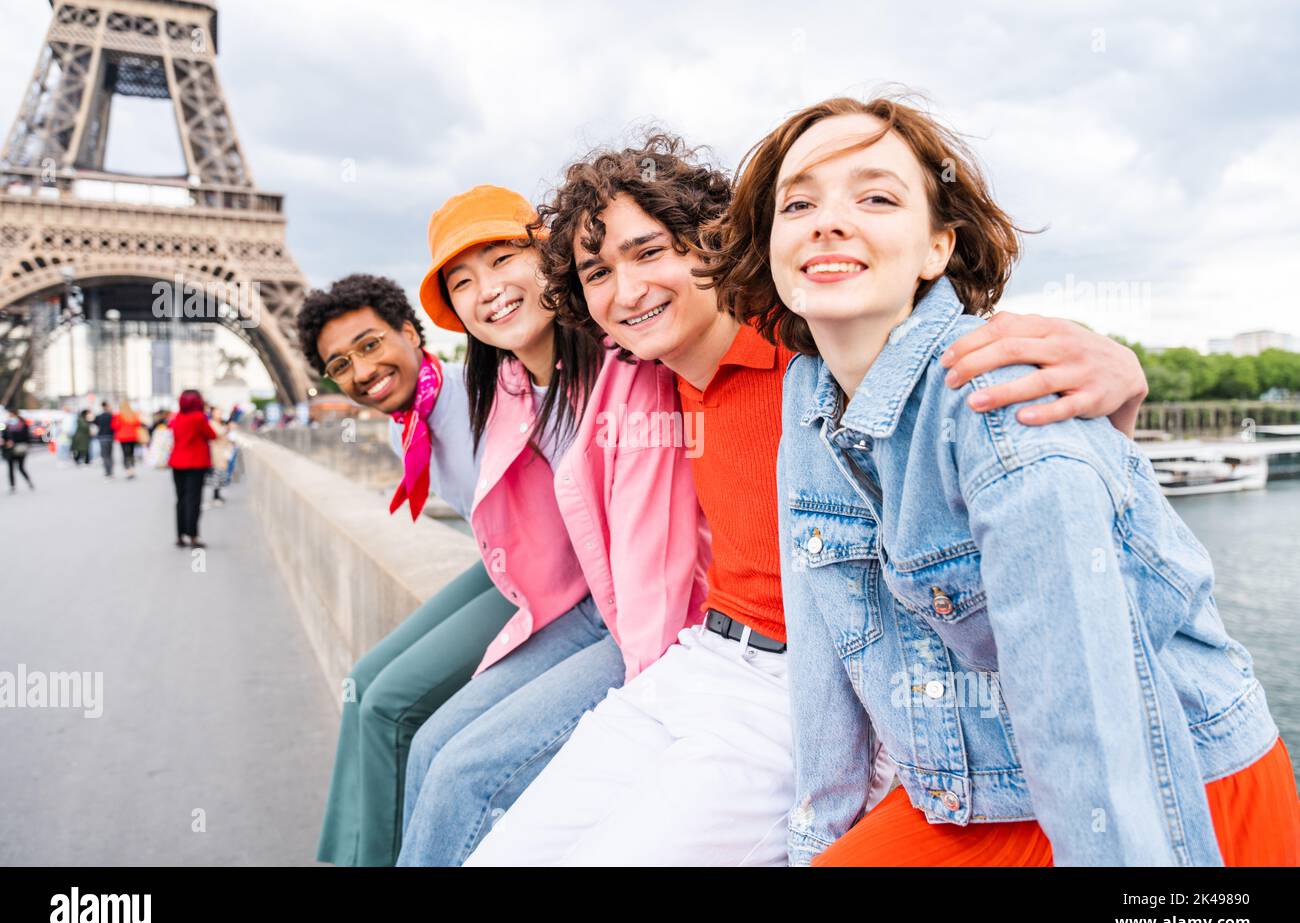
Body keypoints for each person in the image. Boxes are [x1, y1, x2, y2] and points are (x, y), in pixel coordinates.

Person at [463, 133, 1150, 866]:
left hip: (805, 695)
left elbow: (931, 347)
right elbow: (535, 358)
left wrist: (1118, 370)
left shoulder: (807, 346)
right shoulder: (645, 372)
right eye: (598, 272)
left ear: (710, 245)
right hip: (697, 663)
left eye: (650, 251)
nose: (627, 291)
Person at [710, 94, 1299, 865]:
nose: (828, 221)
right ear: (772, 246)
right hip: (969, 790)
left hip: (1171, 791)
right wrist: (816, 844)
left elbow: (1088, 716)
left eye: (877, 197)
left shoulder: (997, 401)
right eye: (799, 203)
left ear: (936, 248)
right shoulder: (808, 407)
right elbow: (824, 677)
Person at [299, 187, 707, 868]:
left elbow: (636, 561)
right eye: (463, 282)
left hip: (629, 614)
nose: (361, 372)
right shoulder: (509, 383)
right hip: (569, 592)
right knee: (406, 721)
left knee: (448, 759)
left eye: (501, 259)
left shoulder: (621, 366)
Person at [169, 389, 216, 548]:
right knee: (194, 500)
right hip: (196, 463)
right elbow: (212, 435)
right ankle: (193, 536)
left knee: (180, 500)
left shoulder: (177, 417)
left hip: (177, 463)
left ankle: (180, 536)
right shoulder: (199, 418)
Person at [2, 411, 35, 493]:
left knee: (21, 467)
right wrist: (5, 442)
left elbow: (26, 437)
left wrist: (14, 441)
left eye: (11, 415)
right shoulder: (7, 425)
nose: (10, 417)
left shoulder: (23, 425)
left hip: (20, 449)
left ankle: (29, 481)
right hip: (10, 450)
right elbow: (4, 436)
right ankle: (12, 486)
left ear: (16, 415)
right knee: (10, 468)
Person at [113, 398, 144, 480]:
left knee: (125, 454)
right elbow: (138, 424)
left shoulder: (119, 415)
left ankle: (128, 471)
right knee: (131, 453)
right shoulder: (133, 414)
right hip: (132, 437)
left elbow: (115, 426)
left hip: (123, 437)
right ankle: (132, 470)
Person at [92, 401, 115, 477]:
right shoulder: (111, 416)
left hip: (102, 437)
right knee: (110, 454)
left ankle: (107, 472)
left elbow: (94, 422)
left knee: (105, 455)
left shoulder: (99, 416)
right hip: (110, 437)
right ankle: (111, 471)